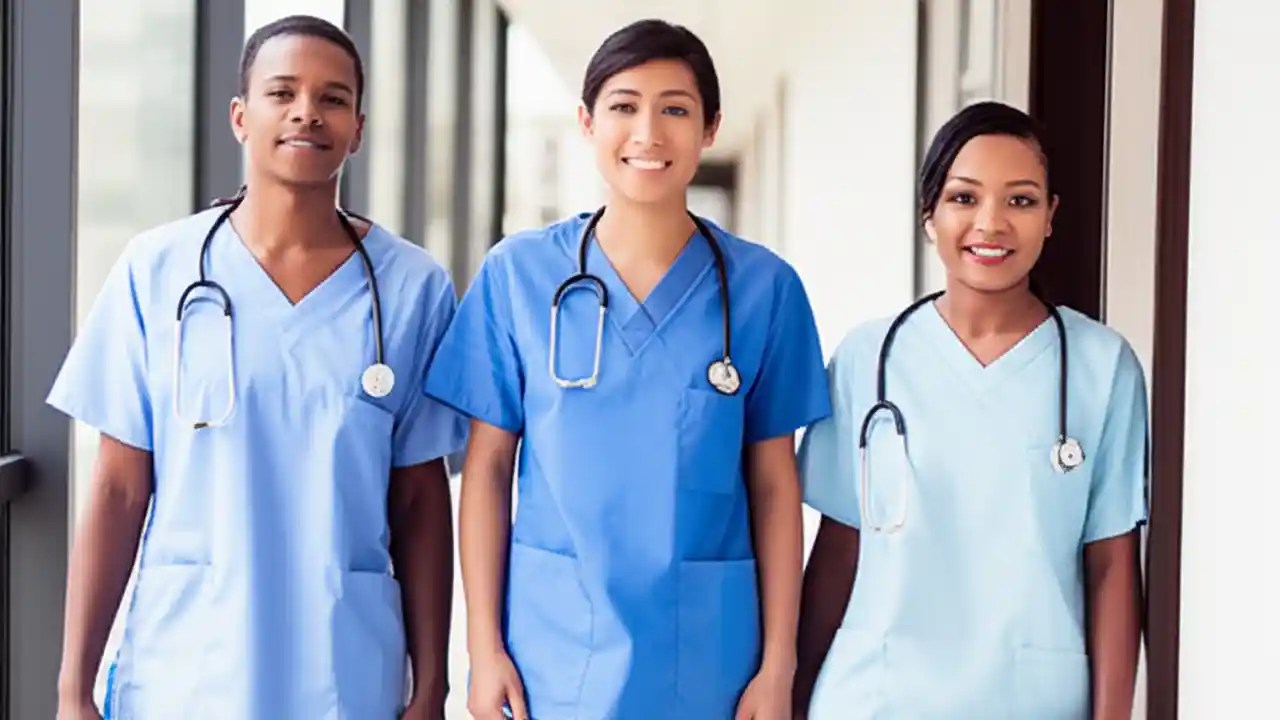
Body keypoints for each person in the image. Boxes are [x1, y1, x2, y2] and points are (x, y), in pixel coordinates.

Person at [50, 15, 465, 720]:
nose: (308, 111)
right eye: (283, 92)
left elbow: (422, 501)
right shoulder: (157, 271)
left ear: (358, 129)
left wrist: (432, 688)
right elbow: (119, 489)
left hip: (344, 660)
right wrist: (72, 687)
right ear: (242, 118)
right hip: (188, 662)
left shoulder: (413, 288)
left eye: (333, 98)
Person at [424, 19, 831, 720]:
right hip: (553, 653)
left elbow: (774, 484)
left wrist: (779, 664)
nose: (648, 131)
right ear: (586, 121)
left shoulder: (765, 290)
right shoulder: (518, 276)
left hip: (711, 658)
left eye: (675, 108)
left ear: (710, 128)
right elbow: (487, 471)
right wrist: (483, 649)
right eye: (623, 105)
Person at [793, 101, 1148, 719]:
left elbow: (1113, 565)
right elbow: (838, 550)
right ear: (928, 215)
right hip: (875, 698)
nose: (991, 223)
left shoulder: (1101, 366)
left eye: (1020, 200)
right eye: (963, 198)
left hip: (1028, 700)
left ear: (1050, 217)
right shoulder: (867, 357)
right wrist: (796, 698)